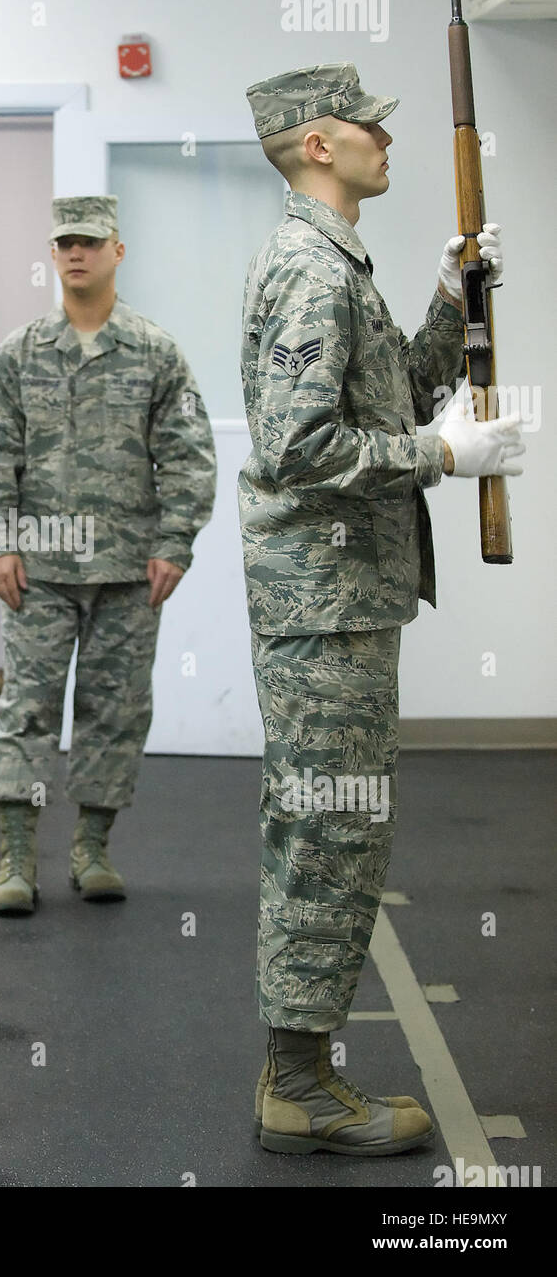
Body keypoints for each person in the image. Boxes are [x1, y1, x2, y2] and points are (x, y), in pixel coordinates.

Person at [240, 64, 524, 1155]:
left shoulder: (334, 262)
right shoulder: (309, 270)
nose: (385, 142)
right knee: (328, 831)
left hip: (344, 596)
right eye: (369, 128)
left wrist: (453, 300)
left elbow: (393, 390)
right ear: (319, 143)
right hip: (324, 601)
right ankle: (300, 1087)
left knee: (336, 825)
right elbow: (299, 449)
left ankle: (298, 1071)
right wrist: (441, 455)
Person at [0, 196, 217, 914]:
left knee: (115, 710)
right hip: (39, 570)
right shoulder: (20, 352)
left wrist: (175, 543)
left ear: (116, 252)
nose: (77, 254)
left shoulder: (154, 351)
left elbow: (186, 455)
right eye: (65, 242)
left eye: (90, 242)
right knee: (27, 708)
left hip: (128, 569)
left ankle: (92, 849)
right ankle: (15, 857)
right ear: (52, 253)